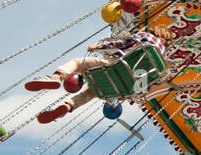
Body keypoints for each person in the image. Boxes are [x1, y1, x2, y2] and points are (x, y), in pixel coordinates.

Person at [28, 26, 172, 124]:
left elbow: (122, 43)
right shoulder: (162, 62)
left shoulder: (147, 37)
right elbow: (149, 83)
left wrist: (98, 47)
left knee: (78, 63)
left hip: (116, 65)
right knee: (92, 91)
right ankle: (67, 107)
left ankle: (56, 77)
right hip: (125, 86)